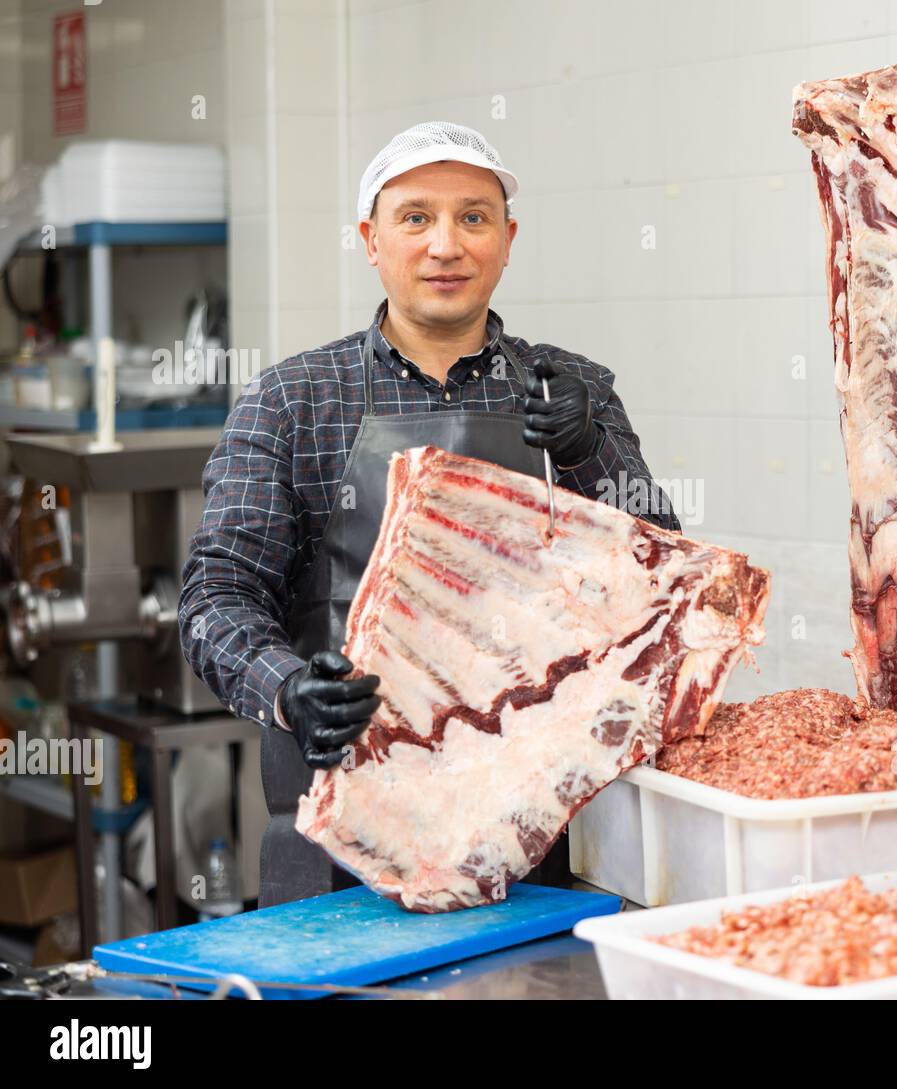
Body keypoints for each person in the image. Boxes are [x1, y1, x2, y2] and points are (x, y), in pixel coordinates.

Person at [179, 122, 679, 907]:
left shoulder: (569, 389)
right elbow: (215, 596)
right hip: (340, 853)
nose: (446, 244)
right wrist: (287, 688)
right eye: (416, 217)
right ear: (371, 240)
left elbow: (660, 585)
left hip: (537, 849)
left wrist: (590, 452)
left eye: (473, 217)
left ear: (507, 240)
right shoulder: (292, 401)